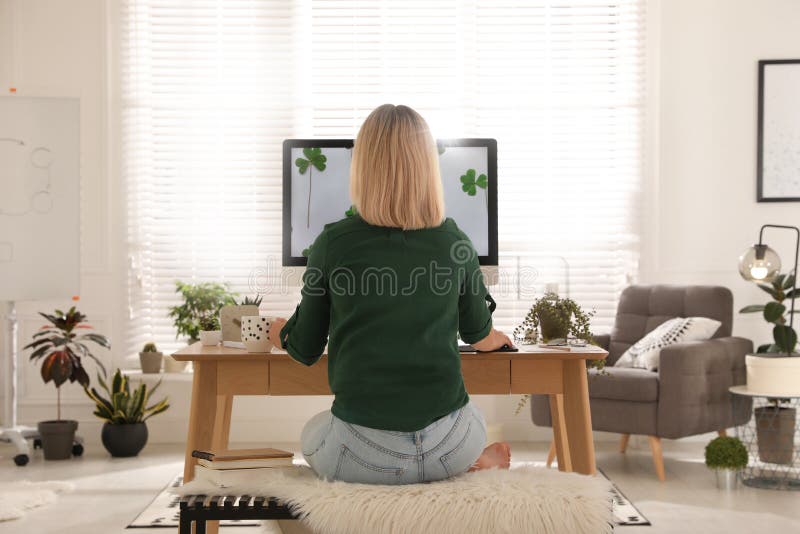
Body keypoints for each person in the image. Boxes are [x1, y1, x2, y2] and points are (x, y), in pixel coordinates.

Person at [268, 104, 512, 485]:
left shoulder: (331, 243)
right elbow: (480, 337)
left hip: (363, 454)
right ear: (428, 168)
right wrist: (499, 338)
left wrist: (277, 331)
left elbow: (306, 348)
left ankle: (439, 464)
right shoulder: (456, 243)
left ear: (363, 167)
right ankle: (468, 460)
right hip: (448, 445)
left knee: (313, 432)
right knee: (474, 419)